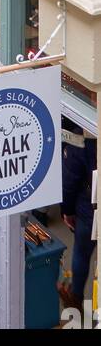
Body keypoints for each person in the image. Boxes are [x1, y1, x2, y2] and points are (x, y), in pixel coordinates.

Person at [58, 120, 97, 310]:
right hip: (88, 204)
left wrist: (67, 210)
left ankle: (75, 299)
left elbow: (70, 180)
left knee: (81, 252)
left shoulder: (83, 134)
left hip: (88, 205)